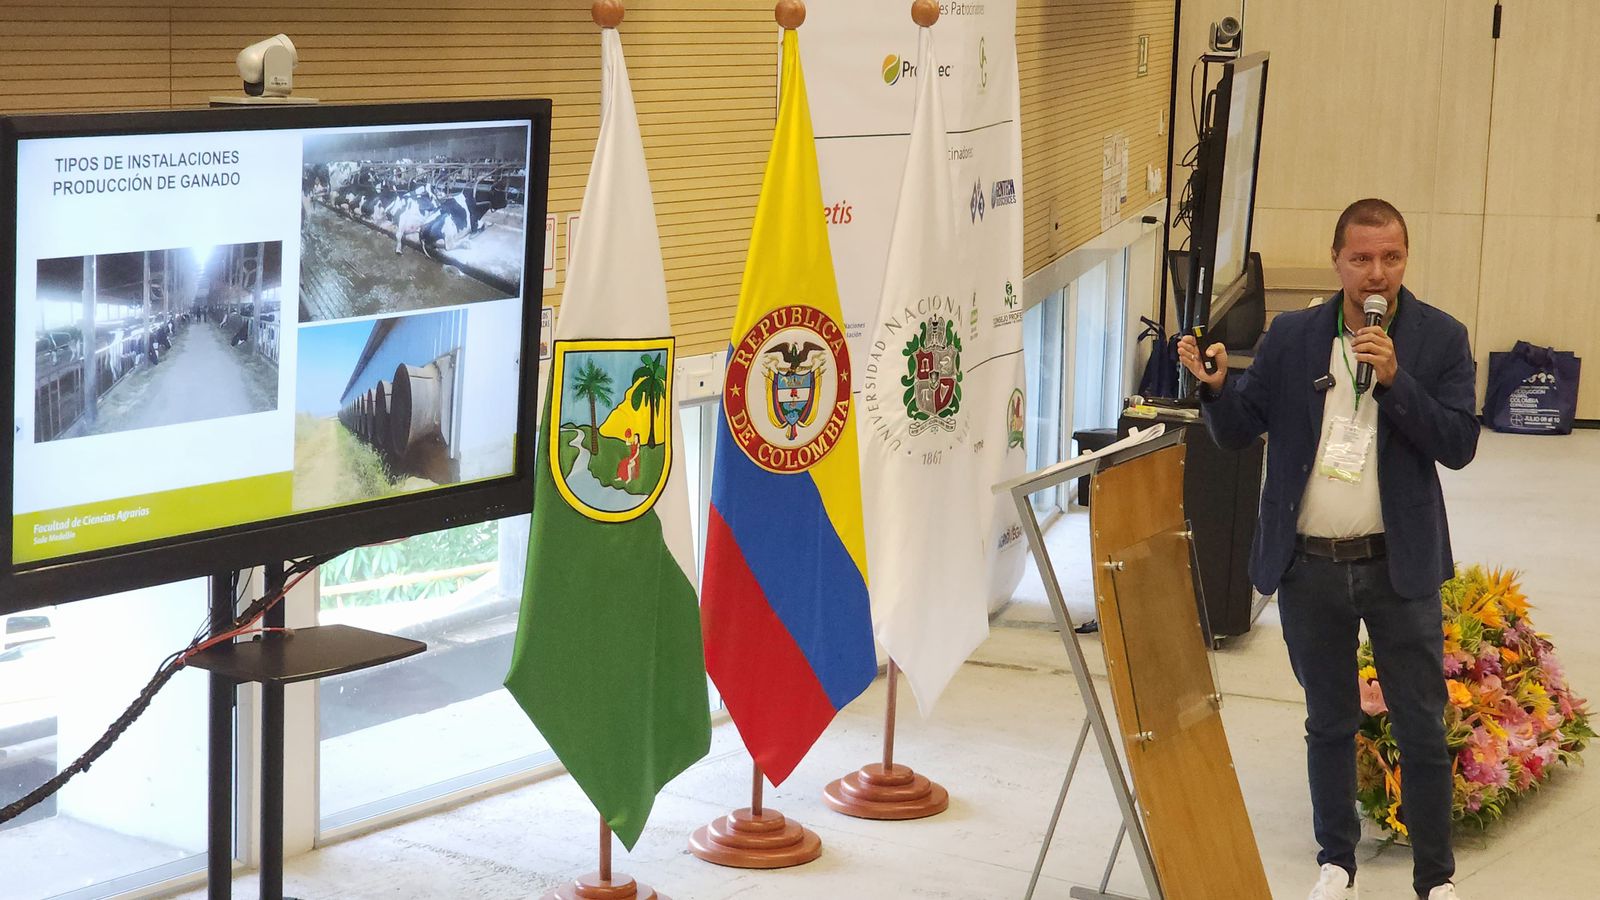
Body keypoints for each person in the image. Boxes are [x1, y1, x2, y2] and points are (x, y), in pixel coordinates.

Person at [1178, 199, 1478, 900]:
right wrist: (1216, 388)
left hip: (1398, 567)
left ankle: (1435, 878)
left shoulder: (1439, 338)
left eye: (1391, 257)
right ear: (1337, 260)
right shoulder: (1293, 337)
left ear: (1406, 258)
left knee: (1421, 726)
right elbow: (1239, 428)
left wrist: (1397, 381)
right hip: (1310, 567)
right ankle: (1336, 863)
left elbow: (1459, 444)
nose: (1377, 273)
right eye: (1362, 258)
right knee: (1329, 722)